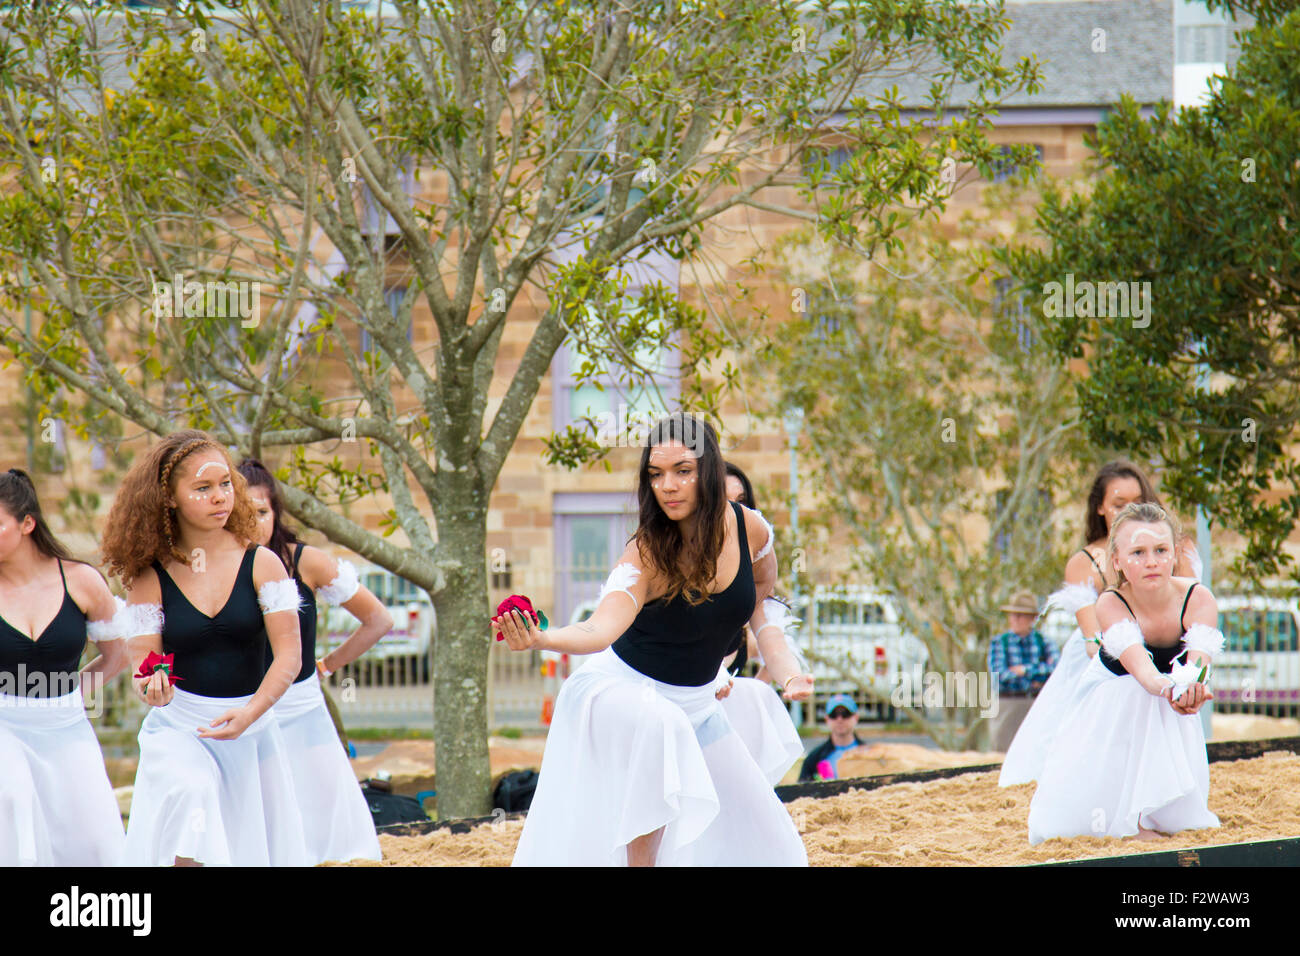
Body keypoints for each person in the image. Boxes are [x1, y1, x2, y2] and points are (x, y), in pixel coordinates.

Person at [496, 413, 813, 866]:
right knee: (659, 726)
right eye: (656, 474)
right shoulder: (646, 553)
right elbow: (600, 628)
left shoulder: (750, 529)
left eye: (682, 471)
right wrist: (541, 638)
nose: (668, 485)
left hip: (697, 704)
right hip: (622, 693)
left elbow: (761, 605)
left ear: (707, 470)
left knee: (772, 844)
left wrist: (788, 672)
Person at [104, 431, 310, 866]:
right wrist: (150, 683)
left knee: (243, 849)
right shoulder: (149, 577)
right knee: (191, 803)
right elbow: (144, 658)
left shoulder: (263, 563)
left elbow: (289, 655)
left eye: (225, 484)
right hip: (180, 729)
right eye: (202, 488)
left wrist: (250, 713)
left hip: (252, 727)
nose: (220, 497)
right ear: (170, 498)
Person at [1026, 502, 1222, 844]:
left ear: (1175, 553)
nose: (1151, 561)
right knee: (1139, 693)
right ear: (1117, 561)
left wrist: (1193, 688)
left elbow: (1198, 662)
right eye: (1138, 552)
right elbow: (1144, 673)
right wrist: (1172, 689)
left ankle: (1160, 810)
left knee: (1173, 703)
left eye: (1161, 550)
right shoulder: (1111, 602)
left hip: (1164, 699)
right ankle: (1130, 822)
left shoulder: (1197, 597)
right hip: (1112, 700)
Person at [999, 460, 1197, 786]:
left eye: (1138, 502)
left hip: (1165, 654)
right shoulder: (1084, 562)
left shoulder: (1177, 548)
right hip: (1106, 659)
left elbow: (1190, 612)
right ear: (1101, 508)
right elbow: (1096, 640)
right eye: (1119, 504)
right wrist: (1139, 667)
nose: (1130, 510)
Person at [238, 458, 390, 864]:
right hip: (243, 713)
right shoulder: (217, 569)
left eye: (263, 512)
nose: (255, 523)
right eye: (244, 513)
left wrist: (326, 664)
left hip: (301, 706)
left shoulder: (305, 561)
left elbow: (378, 619)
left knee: (327, 819)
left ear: (277, 512)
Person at [0, 468, 128, 866]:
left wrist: (70, 695)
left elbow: (116, 656)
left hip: (67, 725)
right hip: (4, 725)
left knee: (93, 842)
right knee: (13, 805)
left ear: (27, 523)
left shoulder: (81, 581)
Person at [711, 460, 807, 785]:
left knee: (749, 696)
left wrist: (789, 677)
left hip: (713, 731)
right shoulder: (671, 569)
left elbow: (771, 638)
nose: (734, 512)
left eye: (742, 503)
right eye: (722, 500)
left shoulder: (748, 586)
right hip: (666, 710)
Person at [987, 590, 1058, 752]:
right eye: (1012, 615)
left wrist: (1025, 671)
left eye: (1021, 615)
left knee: (1034, 753)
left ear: (1032, 618)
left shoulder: (1044, 642)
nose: (1015, 620)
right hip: (1007, 705)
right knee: (1001, 754)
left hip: (1036, 704)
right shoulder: (999, 642)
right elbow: (1000, 675)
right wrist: (1036, 678)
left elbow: (1055, 671)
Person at [798, 694, 866, 781]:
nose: (839, 719)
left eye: (845, 714)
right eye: (833, 715)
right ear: (827, 719)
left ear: (856, 717)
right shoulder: (814, 758)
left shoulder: (870, 754)